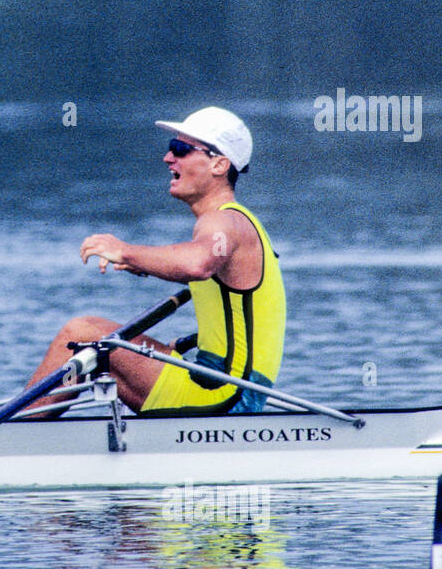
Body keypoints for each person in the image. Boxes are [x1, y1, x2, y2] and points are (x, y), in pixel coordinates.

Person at [25, 106, 285, 416]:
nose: (168, 158)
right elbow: (220, 291)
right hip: (226, 383)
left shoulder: (222, 223)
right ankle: (28, 437)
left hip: (223, 394)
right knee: (106, 350)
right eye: (170, 148)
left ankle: (10, 443)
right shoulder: (241, 223)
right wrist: (145, 266)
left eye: (181, 149)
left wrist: (124, 251)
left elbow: (197, 264)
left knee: (82, 332)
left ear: (219, 164)